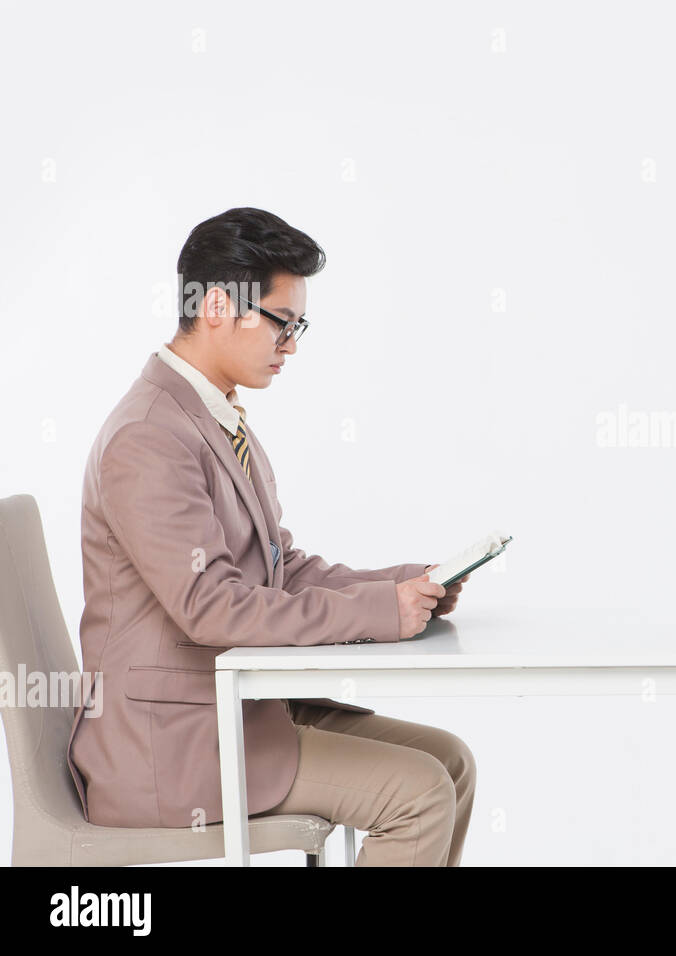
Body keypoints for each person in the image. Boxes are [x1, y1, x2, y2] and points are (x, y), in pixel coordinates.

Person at [67, 207, 475, 866]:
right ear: (220, 306)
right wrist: (378, 614)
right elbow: (212, 606)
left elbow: (278, 570)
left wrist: (399, 587)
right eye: (284, 324)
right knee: (420, 794)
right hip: (170, 745)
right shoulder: (148, 436)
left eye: (299, 326)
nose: (292, 345)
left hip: (236, 707)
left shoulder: (215, 416)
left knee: (450, 762)